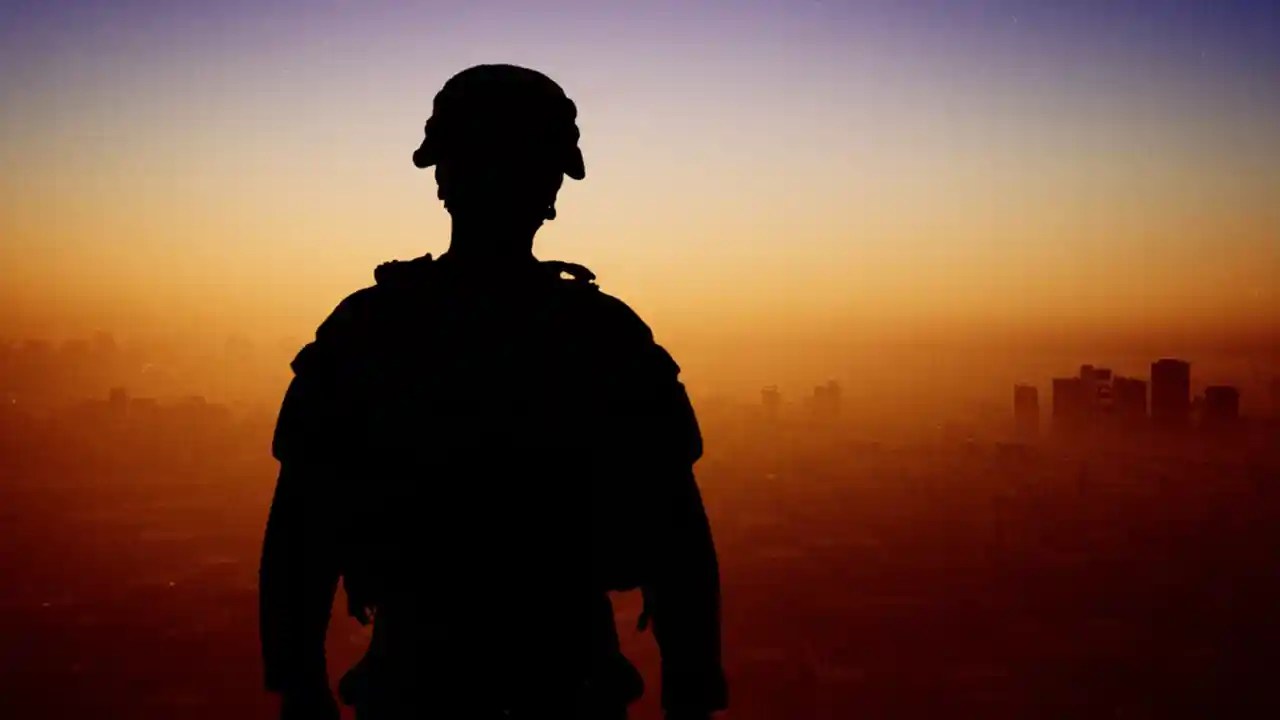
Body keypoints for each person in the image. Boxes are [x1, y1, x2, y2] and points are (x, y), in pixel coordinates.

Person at [258, 64, 726, 719]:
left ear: (443, 178)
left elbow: (300, 535)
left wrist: (298, 682)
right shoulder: (603, 337)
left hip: (421, 683)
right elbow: (676, 538)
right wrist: (693, 682)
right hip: (562, 682)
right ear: (554, 187)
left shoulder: (370, 332)